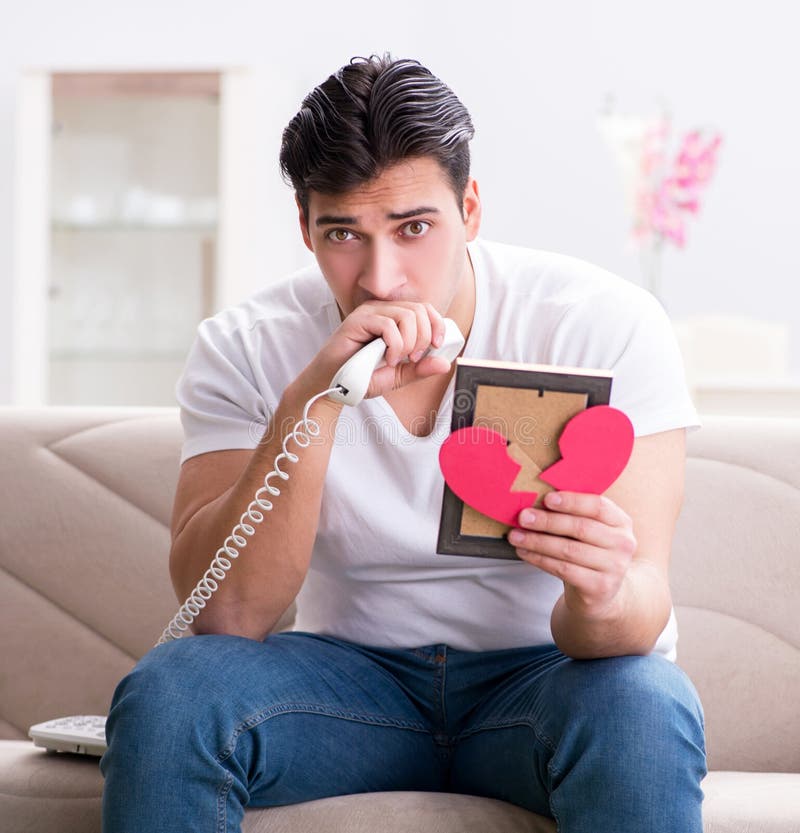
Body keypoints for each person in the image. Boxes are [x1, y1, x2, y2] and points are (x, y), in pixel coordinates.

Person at [100, 53, 707, 833]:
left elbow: (637, 613)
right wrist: (313, 401)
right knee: (172, 691)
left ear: (472, 210)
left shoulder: (602, 324)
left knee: (644, 703)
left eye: (414, 228)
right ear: (305, 229)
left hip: (547, 676)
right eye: (344, 234)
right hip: (345, 684)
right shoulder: (246, 345)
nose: (382, 277)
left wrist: (601, 592)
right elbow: (228, 613)